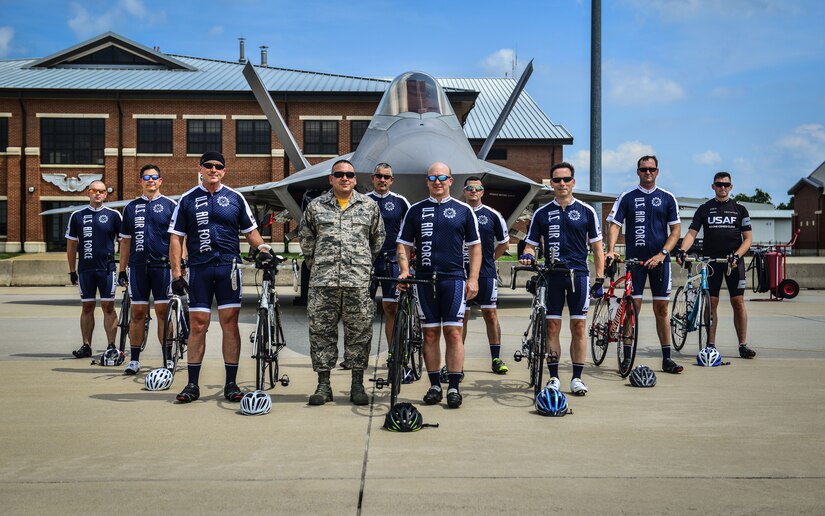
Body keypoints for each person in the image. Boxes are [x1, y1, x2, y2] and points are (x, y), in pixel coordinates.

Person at [168, 151, 272, 404]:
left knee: (229, 323)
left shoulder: (235, 198)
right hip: (199, 268)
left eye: (218, 167)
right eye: (209, 166)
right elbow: (175, 236)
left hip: (228, 268)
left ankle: (231, 384)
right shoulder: (187, 199)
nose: (213, 170)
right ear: (200, 169)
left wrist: (264, 250)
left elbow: (251, 232)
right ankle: (192, 384)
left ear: (224, 171)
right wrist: (176, 273)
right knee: (198, 324)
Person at [299, 159, 385, 406]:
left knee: (359, 333)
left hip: (357, 282)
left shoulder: (368, 206)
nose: (344, 178)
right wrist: (319, 265)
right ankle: (323, 385)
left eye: (349, 174)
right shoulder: (316, 207)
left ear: (355, 179)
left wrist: (361, 264)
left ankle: (357, 385)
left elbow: (377, 240)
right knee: (321, 333)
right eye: (339, 174)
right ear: (331, 179)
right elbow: (306, 239)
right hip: (322, 282)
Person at [397, 162, 480, 409]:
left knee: (454, 333)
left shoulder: (464, 210)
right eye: (433, 177)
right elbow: (403, 244)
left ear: (451, 181)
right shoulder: (415, 210)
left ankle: (453, 387)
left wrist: (473, 278)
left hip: (453, 278)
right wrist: (404, 271)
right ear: (427, 181)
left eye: (442, 177)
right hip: (424, 279)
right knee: (430, 334)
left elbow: (475, 247)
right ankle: (434, 385)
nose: (438, 181)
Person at [519, 162, 604, 395]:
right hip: (552, 277)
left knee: (578, 326)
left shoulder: (587, 211)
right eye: (557, 180)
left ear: (573, 182)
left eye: (566, 179)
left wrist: (600, 278)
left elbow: (597, 248)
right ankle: (554, 377)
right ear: (551, 184)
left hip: (578, 275)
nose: (562, 184)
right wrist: (527, 254)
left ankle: (577, 378)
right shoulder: (542, 213)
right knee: (553, 327)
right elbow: (530, 245)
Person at [605, 155, 683, 374]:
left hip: (661, 262)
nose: (648, 172)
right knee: (632, 308)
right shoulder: (627, 196)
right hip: (635, 262)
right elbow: (614, 225)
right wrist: (610, 250)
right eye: (644, 169)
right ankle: (627, 356)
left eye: (652, 169)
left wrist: (663, 253)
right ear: (637, 172)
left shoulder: (668, 197)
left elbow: (675, 230)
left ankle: (667, 358)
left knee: (661, 309)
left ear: (657, 171)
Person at [676, 171, 755, 358]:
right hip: (711, 261)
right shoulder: (704, 209)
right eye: (719, 184)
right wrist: (682, 250)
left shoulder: (740, 209)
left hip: (733, 261)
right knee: (711, 303)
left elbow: (748, 239)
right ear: (713, 186)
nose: (722, 187)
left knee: (738, 302)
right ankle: (711, 344)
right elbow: (692, 233)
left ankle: (742, 344)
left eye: (726, 185)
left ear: (731, 187)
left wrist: (736, 255)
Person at [117, 164, 178, 374]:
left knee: (163, 313)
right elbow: (125, 242)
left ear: (161, 181)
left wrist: (180, 266)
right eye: (146, 177)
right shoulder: (131, 208)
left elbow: (177, 239)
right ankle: (134, 360)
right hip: (138, 267)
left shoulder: (171, 205)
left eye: (154, 177)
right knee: (138, 313)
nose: (150, 180)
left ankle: (167, 358)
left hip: (163, 266)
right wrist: (122, 269)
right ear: (140, 181)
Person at [355, 163, 410, 364]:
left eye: (387, 177)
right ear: (373, 178)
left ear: (392, 180)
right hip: (366, 263)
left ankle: (392, 352)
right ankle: (358, 356)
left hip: (392, 261)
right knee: (361, 312)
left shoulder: (400, 202)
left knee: (391, 308)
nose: (382, 180)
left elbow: (410, 233)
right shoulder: (362, 201)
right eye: (379, 176)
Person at [66, 180, 122, 360]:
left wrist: (125, 268)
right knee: (87, 307)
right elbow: (72, 245)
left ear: (106, 194)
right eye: (94, 190)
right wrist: (71, 270)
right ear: (88, 193)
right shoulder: (77, 215)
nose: (97, 194)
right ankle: (86, 345)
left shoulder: (114, 215)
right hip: (85, 270)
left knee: (108, 306)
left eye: (101, 191)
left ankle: (111, 346)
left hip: (107, 269)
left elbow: (125, 242)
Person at [461, 176, 511, 375]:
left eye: (477, 188)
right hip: (460, 272)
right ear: (464, 191)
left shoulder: (492, 215)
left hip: (486, 273)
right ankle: (457, 362)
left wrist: (488, 258)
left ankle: (496, 358)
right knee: (461, 317)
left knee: (490, 315)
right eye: (469, 188)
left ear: (482, 192)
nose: (473, 191)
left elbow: (505, 242)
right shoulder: (457, 212)